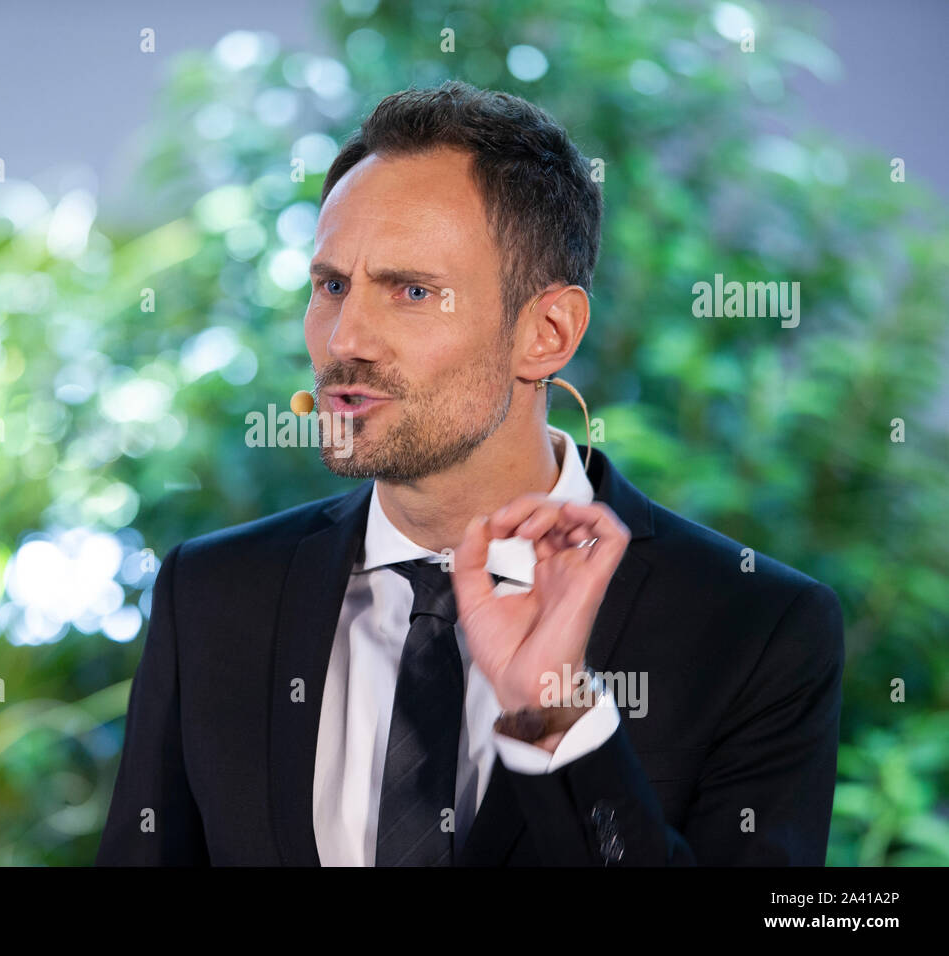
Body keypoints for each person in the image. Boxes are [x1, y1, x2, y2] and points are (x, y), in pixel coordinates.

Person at [96, 80, 844, 866]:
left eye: (413, 292)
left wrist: (555, 716)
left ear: (547, 334)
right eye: (332, 286)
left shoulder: (754, 625)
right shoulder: (213, 595)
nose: (345, 339)